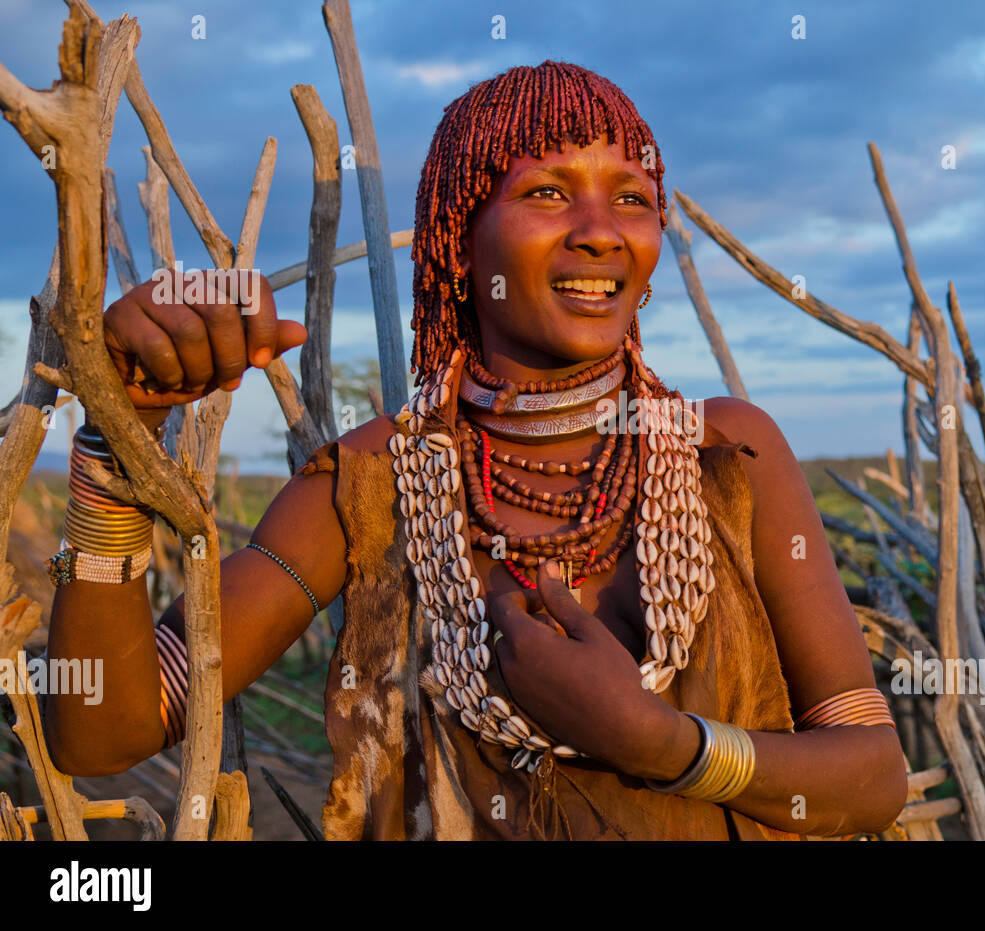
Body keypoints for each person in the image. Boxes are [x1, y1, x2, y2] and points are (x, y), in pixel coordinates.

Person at [43, 60, 907, 840]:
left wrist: (658, 743)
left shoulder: (727, 450)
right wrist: (117, 442)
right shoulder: (373, 482)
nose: (602, 231)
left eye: (632, 197)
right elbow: (103, 729)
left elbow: (871, 777)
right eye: (548, 193)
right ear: (461, 237)